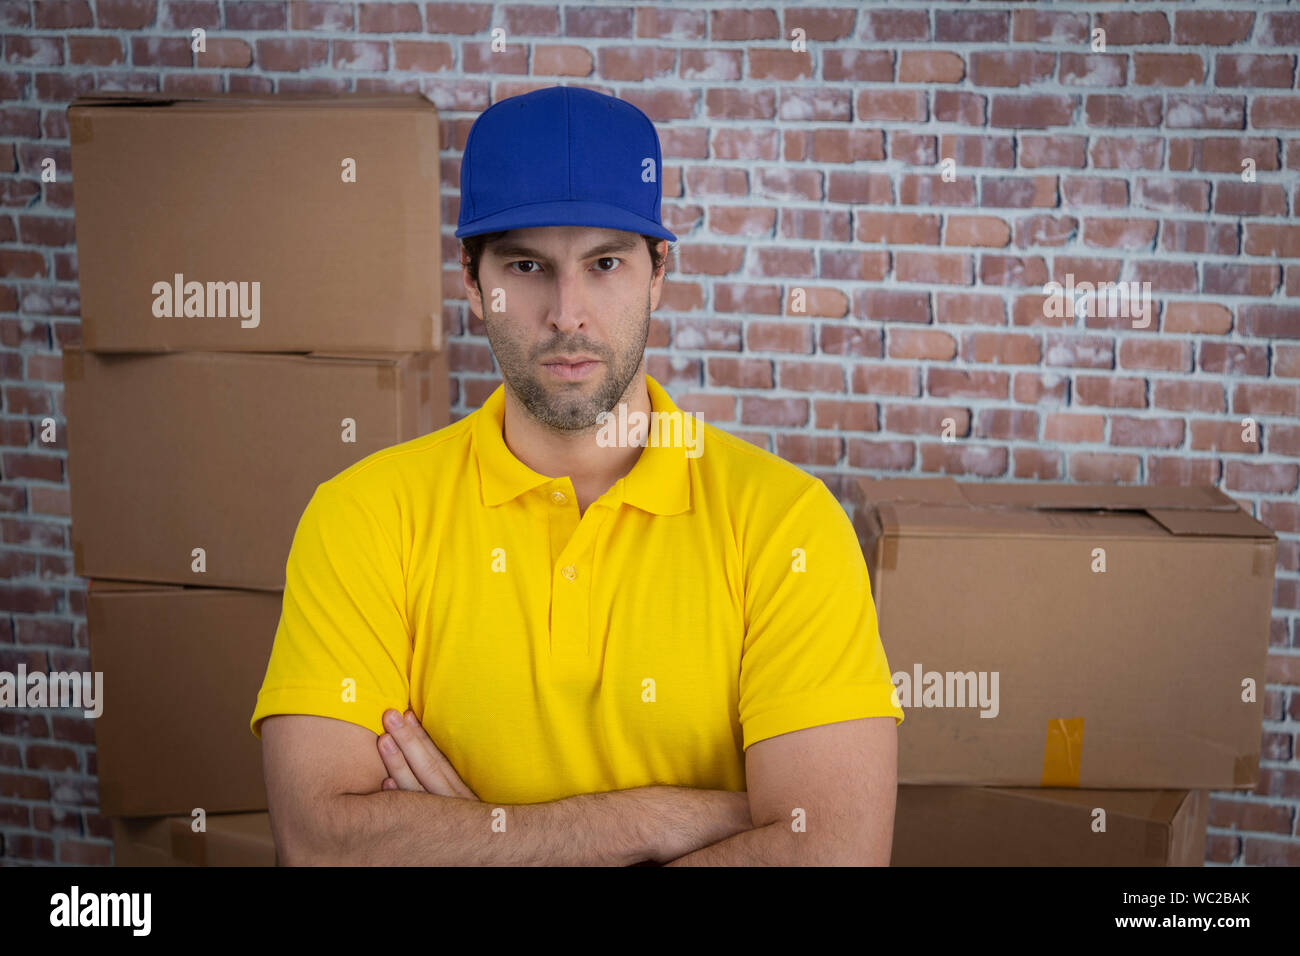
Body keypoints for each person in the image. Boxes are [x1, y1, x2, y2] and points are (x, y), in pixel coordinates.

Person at [251, 85, 903, 866]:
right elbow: (321, 845)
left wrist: (484, 844)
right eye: (526, 265)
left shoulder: (786, 526)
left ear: (658, 272)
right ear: (471, 279)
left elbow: (831, 855)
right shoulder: (362, 517)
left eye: (605, 263)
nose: (567, 312)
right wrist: (642, 823)